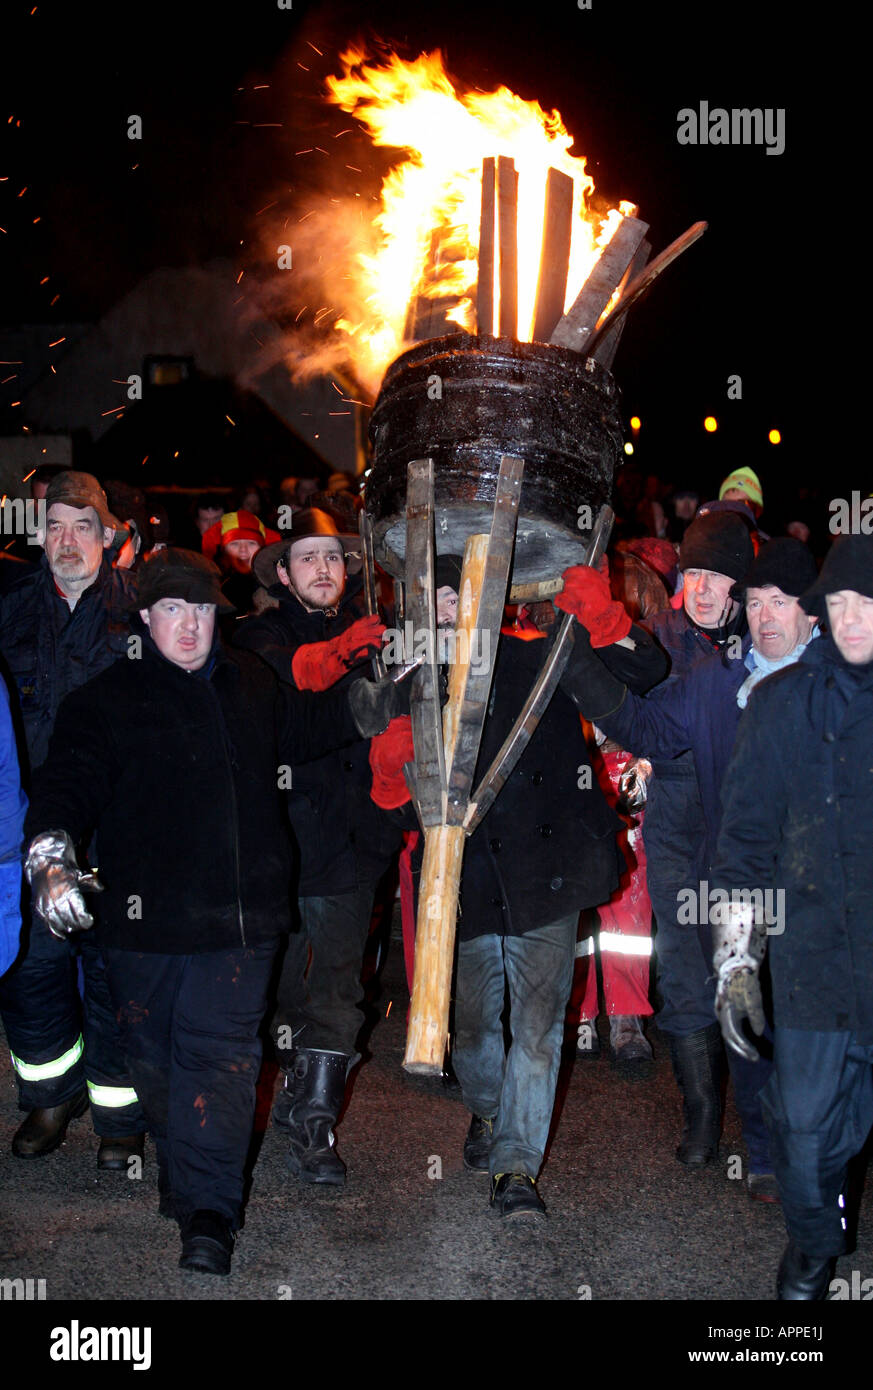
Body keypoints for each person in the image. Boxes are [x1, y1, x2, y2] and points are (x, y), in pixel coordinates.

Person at [21, 548, 409, 1274]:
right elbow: (66, 783)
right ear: (145, 616)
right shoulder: (106, 701)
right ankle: (187, 1177)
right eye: (172, 610)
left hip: (238, 924)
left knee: (220, 1062)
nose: (190, 627)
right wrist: (49, 856)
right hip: (145, 930)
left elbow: (308, 725)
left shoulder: (249, 684)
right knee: (158, 1066)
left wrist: (381, 700)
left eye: (200, 610)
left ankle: (210, 1216)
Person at [370, 558, 667, 1218]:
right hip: (463, 883)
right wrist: (391, 779)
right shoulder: (405, 682)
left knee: (535, 1032)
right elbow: (386, 802)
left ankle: (515, 1170)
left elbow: (640, 680)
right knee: (475, 1035)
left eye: (462, 596)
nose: (450, 610)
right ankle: (488, 1112)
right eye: (438, 599)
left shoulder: (539, 659)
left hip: (545, 874)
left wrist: (602, 617)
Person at [591, 538, 819, 1199]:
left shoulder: (802, 675)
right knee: (707, 983)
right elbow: (637, 717)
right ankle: (716, 1123)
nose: (706, 589)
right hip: (686, 842)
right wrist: (588, 646)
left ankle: (793, 1147)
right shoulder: (670, 648)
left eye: (724, 579)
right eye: (694, 573)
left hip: (768, 861)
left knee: (782, 1007)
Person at [711, 534, 873, 1299]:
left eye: (865, 605)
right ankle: (812, 1249)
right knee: (803, 1139)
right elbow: (741, 846)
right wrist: (736, 965)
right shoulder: (778, 708)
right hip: (813, 971)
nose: (849, 621)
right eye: (836, 604)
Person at [233, 508, 401, 1184]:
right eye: (307, 558)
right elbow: (288, 696)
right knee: (269, 989)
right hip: (277, 846)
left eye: (333, 557)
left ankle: (313, 1127)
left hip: (351, 848)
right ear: (282, 571)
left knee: (335, 991)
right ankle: (266, 1098)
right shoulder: (256, 636)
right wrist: (346, 659)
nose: (323, 568)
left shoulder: (383, 634)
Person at [0, 470, 146, 1167]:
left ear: (109, 536)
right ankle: (50, 1095)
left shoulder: (146, 610)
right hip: (30, 830)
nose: (67, 539)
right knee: (33, 968)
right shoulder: (9, 609)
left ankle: (121, 1115)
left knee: (116, 967)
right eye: (54, 524)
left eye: (82, 525)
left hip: (122, 826)